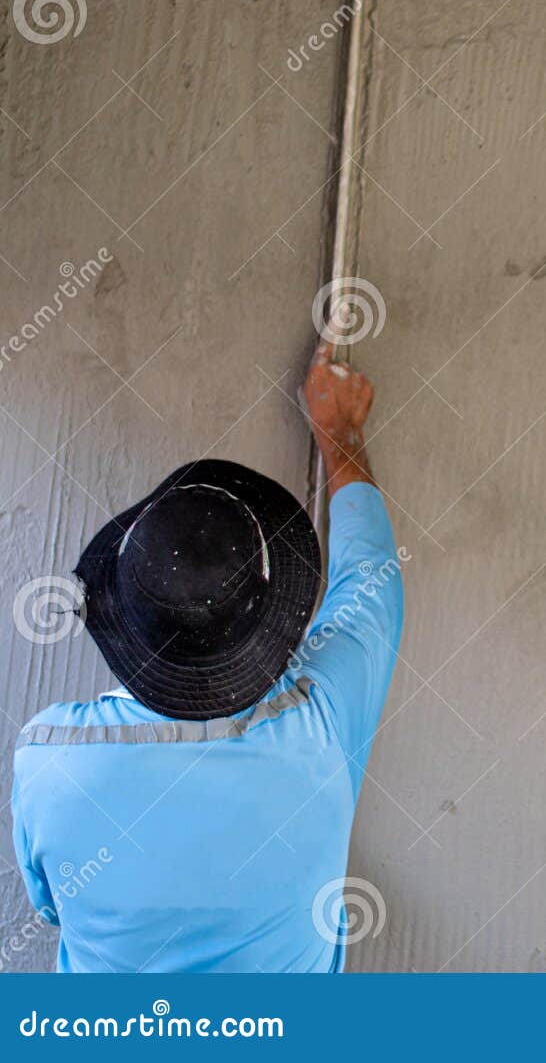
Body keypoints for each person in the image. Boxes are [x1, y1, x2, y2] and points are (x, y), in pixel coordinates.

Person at [9, 339, 403, 971]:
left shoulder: (47, 755)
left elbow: (54, 907)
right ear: (271, 616)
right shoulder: (321, 725)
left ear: (121, 612)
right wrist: (340, 434)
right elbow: (372, 577)